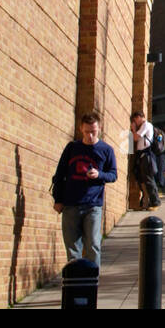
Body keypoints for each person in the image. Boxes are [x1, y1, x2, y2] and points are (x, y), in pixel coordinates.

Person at [51, 110, 117, 266]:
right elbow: (59, 174)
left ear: (99, 129)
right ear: (81, 129)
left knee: (93, 244)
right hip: (71, 203)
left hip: (93, 205)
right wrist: (58, 199)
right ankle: (74, 284)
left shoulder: (106, 150)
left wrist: (99, 174)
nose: (90, 136)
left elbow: (113, 175)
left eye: (93, 132)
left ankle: (92, 282)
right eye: (87, 132)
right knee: (72, 247)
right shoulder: (72, 148)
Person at [130, 111, 160, 210]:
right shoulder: (144, 126)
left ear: (139, 117)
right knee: (142, 178)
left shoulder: (146, 125)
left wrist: (133, 129)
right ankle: (146, 202)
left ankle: (155, 202)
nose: (135, 122)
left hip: (146, 155)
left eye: (135, 120)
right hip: (142, 155)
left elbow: (135, 137)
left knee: (148, 179)